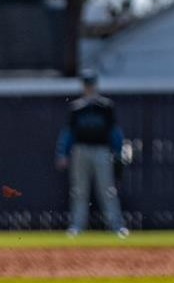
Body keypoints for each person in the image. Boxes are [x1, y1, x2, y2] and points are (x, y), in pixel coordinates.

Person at [55, 70, 129, 238]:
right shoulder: (77, 108)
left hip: (101, 150)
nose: (89, 87)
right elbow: (69, 133)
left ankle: (116, 226)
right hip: (81, 150)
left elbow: (114, 132)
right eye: (86, 84)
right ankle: (77, 226)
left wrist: (118, 151)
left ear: (95, 85)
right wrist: (62, 153)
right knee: (79, 190)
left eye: (91, 84)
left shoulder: (105, 107)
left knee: (107, 190)